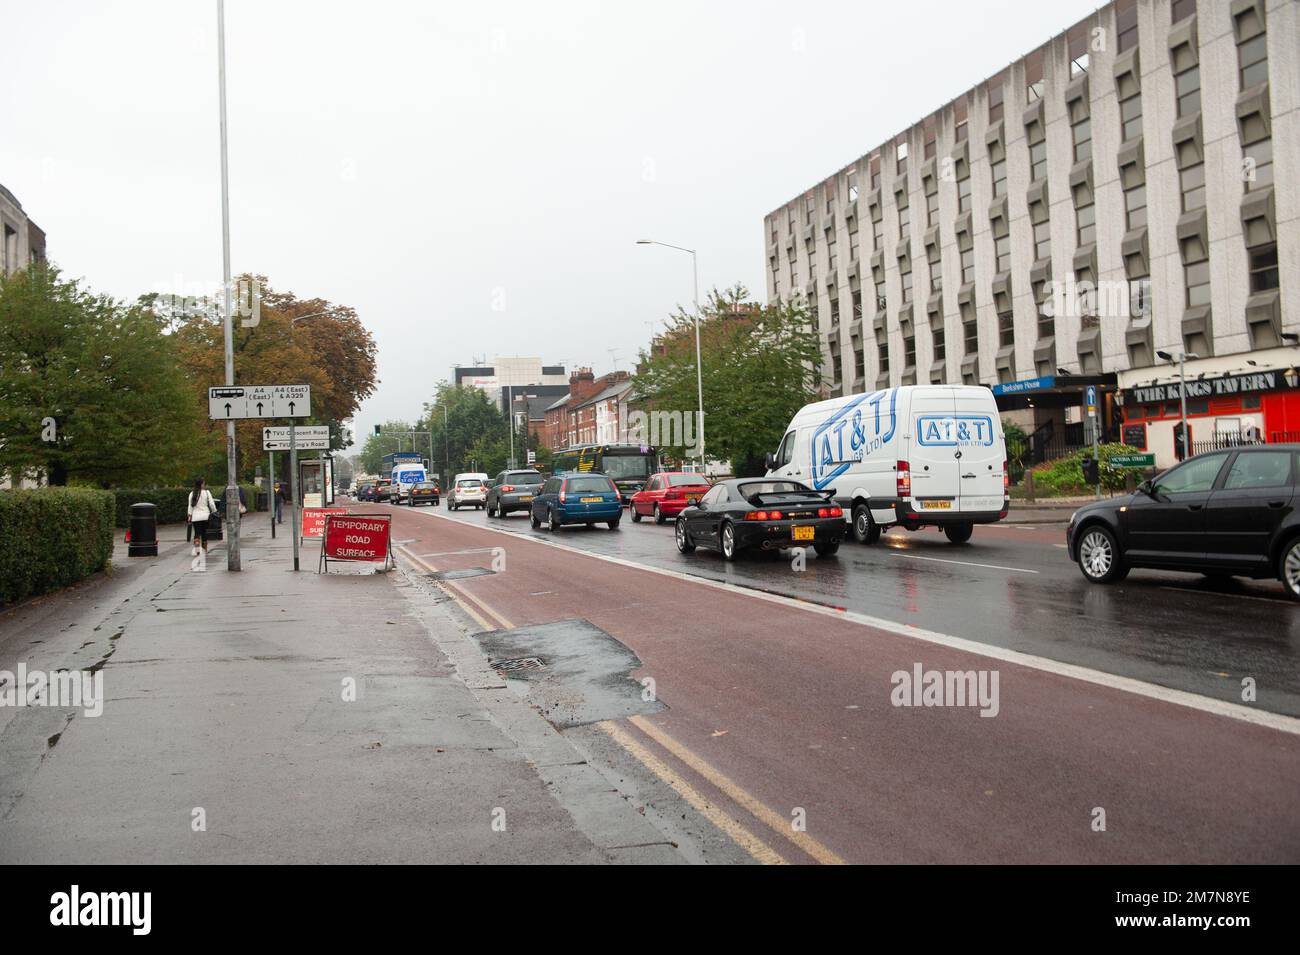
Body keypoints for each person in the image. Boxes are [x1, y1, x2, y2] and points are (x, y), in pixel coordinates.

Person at [187, 479, 217, 556]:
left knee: (197, 532)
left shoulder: (192, 493)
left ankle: (197, 546)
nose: (204, 485)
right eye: (204, 484)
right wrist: (214, 511)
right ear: (201, 485)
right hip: (205, 516)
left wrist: (189, 515)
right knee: (204, 532)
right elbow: (212, 504)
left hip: (195, 517)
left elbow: (190, 506)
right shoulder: (207, 493)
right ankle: (204, 550)